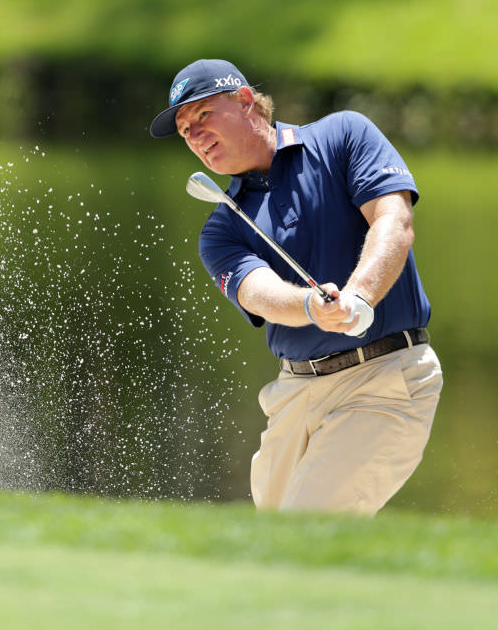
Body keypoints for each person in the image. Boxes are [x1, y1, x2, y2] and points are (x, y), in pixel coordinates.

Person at [149, 59, 442, 515]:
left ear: (245, 101)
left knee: (308, 526)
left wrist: (360, 295)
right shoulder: (221, 228)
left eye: (204, 115)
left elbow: (394, 221)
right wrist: (311, 305)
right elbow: (257, 292)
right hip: (294, 393)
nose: (196, 135)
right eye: (186, 131)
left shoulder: (342, 136)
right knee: (275, 545)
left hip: (383, 377)